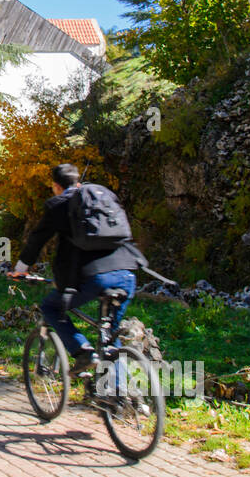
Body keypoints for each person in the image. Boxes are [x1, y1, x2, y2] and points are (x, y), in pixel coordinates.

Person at [8, 163, 147, 387]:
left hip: (94, 277)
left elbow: (37, 239)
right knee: (110, 335)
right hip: (127, 272)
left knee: (52, 307)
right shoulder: (104, 197)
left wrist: (20, 269)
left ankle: (82, 352)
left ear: (55, 186)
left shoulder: (59, 204)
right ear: (78, 183)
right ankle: (118, 397)